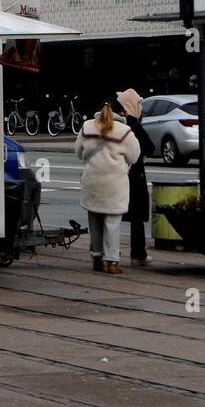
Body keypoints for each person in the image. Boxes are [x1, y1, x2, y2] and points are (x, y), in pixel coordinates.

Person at [75, 100, 141, 274]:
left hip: (92, 181)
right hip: (114, 184)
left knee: (94, 220)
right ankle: (112, 261)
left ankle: (96, 257)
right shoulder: (125, 132)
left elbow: (78, 153)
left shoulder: (87, 127)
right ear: (121, 112)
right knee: (112, 222)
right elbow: (134, 157)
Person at [116, 89, 155, 267]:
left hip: (116, 173)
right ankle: (138, 253)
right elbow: (149, 147)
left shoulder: (115, 123)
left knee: (112, 215)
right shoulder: (134, 125)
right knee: (137, 216)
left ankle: (111, 252)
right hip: (134, 174)